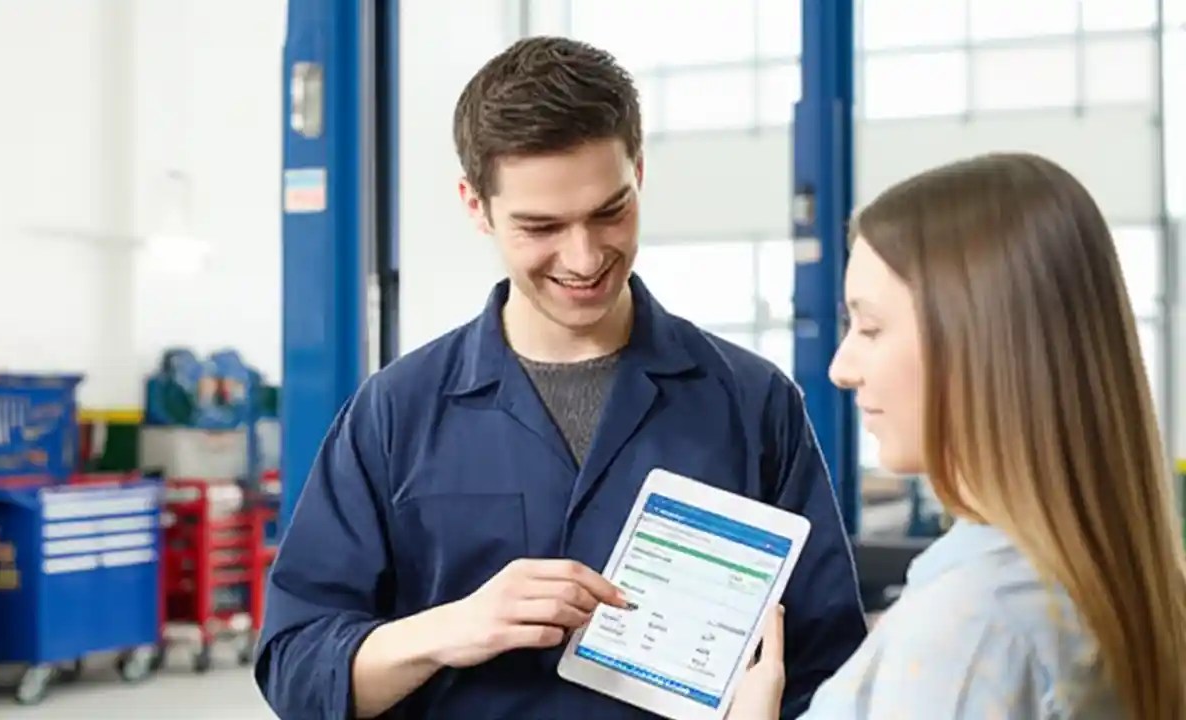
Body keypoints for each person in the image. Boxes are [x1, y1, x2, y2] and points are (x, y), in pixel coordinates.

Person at [255, 36, 867, 720]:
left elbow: (831, 668)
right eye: (540, 226)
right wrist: (449, 630)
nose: (583, 258)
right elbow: (297, 669)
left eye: (610, 212)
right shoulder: (396, 414)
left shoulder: (752, 405)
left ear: (639, 171)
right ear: (475, 205)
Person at [727, 152, 1186, 719]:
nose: (841, 369)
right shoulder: (1104, 580)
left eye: (870, 327)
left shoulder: (971, 626)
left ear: (980, 348)